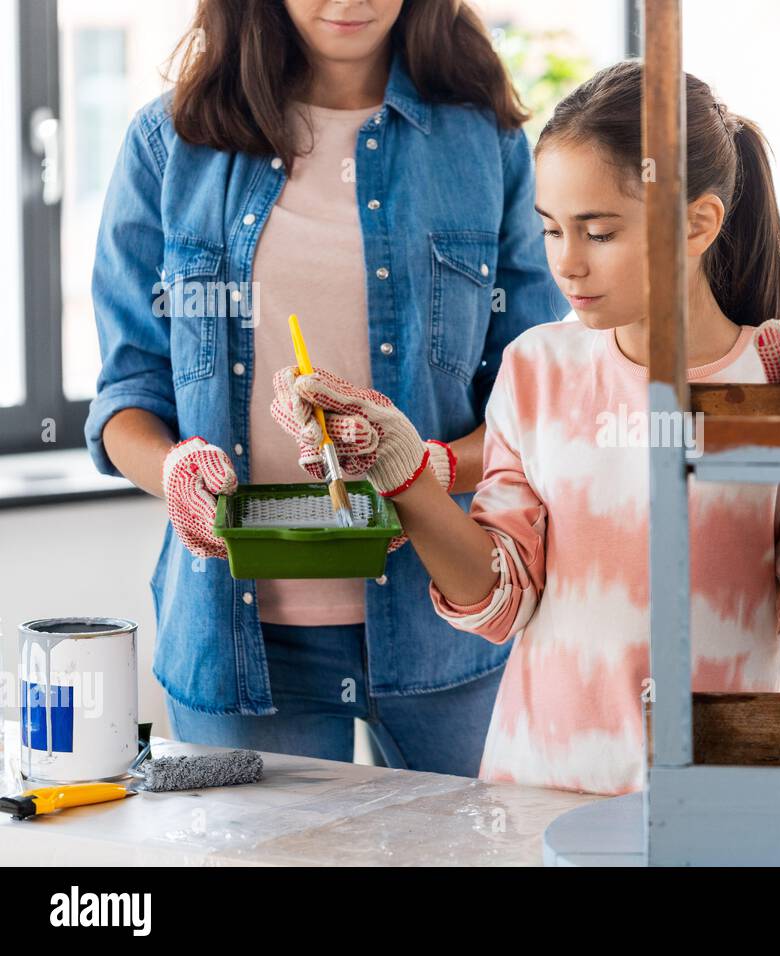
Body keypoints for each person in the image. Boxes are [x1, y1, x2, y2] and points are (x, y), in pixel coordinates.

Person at [269, 60, 780, 795]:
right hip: (536, 796)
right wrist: (405, 477)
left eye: (598, 232)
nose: (567, 264)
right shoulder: (538, 369)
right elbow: (500, 601)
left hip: (718, 805)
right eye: (551, 230)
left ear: (699, 223)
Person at [85, 0, 566, 772]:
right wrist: (173, 472)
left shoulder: (487, 145)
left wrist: (427, 473)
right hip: (239, 640)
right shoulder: (167, 144)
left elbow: (537, 401)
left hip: (448, 624)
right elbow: (127, 391)